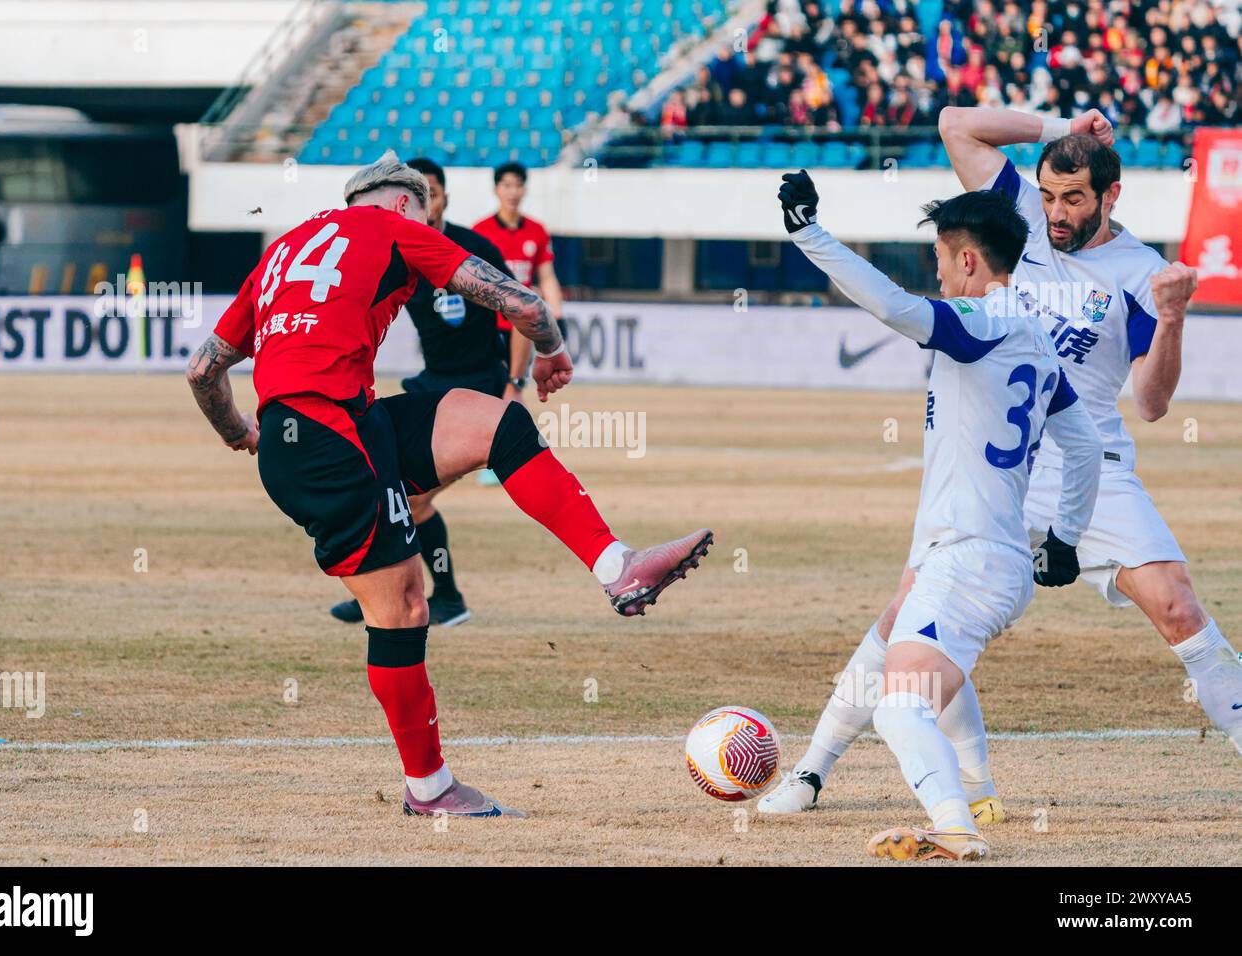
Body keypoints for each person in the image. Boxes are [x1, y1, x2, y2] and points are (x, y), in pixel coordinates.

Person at [186, 151, 712, 818]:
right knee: (403, 606)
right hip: (329, 441)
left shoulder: (286, 247)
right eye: (425, 207)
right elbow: (520, 301)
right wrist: (551, 352)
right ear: (409, 204)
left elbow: (204, 369)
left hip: (340, 423)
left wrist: (240, 432)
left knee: (500, 426)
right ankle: (429, 789)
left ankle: (618, 565)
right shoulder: (398, 229)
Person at [763, 107, 1242, 822]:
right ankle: (810, 772)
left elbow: (1150, 403)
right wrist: (1057, 125)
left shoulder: (1142, 272)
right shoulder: (1016, 215)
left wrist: (1171, 319)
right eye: (1047, 194)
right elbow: (958, 124)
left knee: (1177, 605)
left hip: (1090, 458)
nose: (1054, 212)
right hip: (1001, 466)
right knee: (905, 613)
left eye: (1073, 199)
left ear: (1111, 197)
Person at [776, 171, 1102, 860]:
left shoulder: (981, 322)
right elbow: (1084, 449)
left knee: (901, 705)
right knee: (891, 633)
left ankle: (955, 825)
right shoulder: (1038, 339)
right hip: (987, 554)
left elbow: (895, 308)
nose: (940, 279)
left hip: (970, 558)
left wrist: (810, 233)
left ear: (968, 260)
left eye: (941, 263)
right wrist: (1065, 540)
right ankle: (811, 776)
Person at [328, 157, 523, 629]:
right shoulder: (394, 257)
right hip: (429, 384)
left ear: (444, 198)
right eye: (418, 194)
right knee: (382, 489)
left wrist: (514, 385)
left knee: (412, 503)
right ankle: (385, 591)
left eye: (432, 193)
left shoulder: (474, 249)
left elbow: (519, 312)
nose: (425, 203)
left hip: (478, 383)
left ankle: (447, 597)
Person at [471, 161, 565, 485]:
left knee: (513, 388)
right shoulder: (479, 231)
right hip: (488, 327)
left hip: (521, 330)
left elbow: (547, 276)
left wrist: (557, 315)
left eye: (518, 185)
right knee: (494, 392)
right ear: (496, 189)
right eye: (506, 185)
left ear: (525, 188)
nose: (512, 192)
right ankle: (493, 458)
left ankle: (502, 460)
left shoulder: (536, 232)